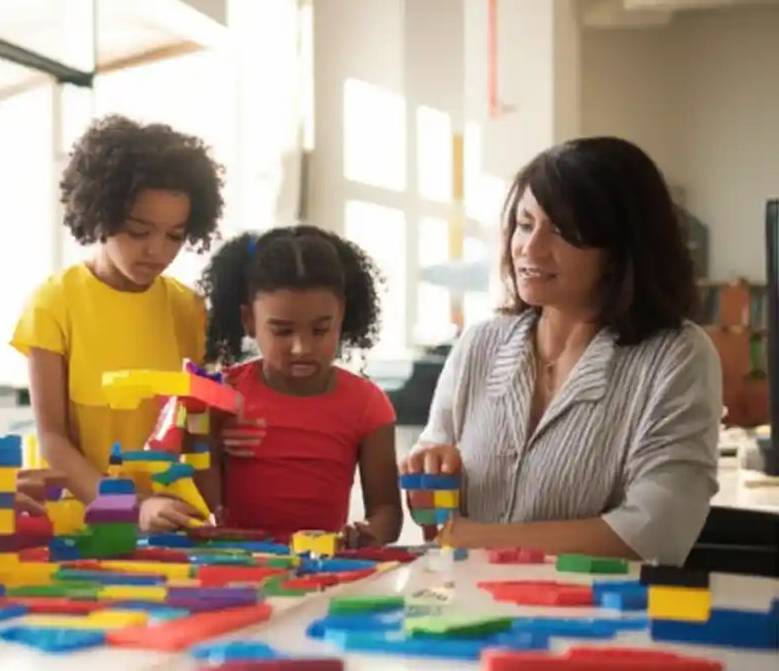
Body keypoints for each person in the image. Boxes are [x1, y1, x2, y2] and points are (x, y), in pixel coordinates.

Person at [401, 137, 721, 565]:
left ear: (618, 249)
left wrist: (478, 537)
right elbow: (434, 522)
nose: (530, 249)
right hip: (463, 610)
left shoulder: (676, 355)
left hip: (596, 621)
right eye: (525, 223)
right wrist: (430, 477)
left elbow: (655, 533)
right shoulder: (478, 344)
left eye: (562, 231)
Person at [12, 114, 225, 532]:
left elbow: (200, 432)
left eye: (174, 235)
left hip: (173, 520)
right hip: (81, 521)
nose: (156, 251)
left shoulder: (190, 311)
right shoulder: (54, 302)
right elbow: (54, 441)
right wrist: (130, 505)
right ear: (100, 214)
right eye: (138, 230)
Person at [197, 226, 403, 545]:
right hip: (234, 566)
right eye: (282, 331)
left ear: (342, 315)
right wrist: (210, 436)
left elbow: (387, 511)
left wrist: (366, 534)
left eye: (320, 330)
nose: (301, 348)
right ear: (249, 320)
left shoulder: (367, 404)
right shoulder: (219, 396)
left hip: (322, 569)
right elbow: (201, 508)